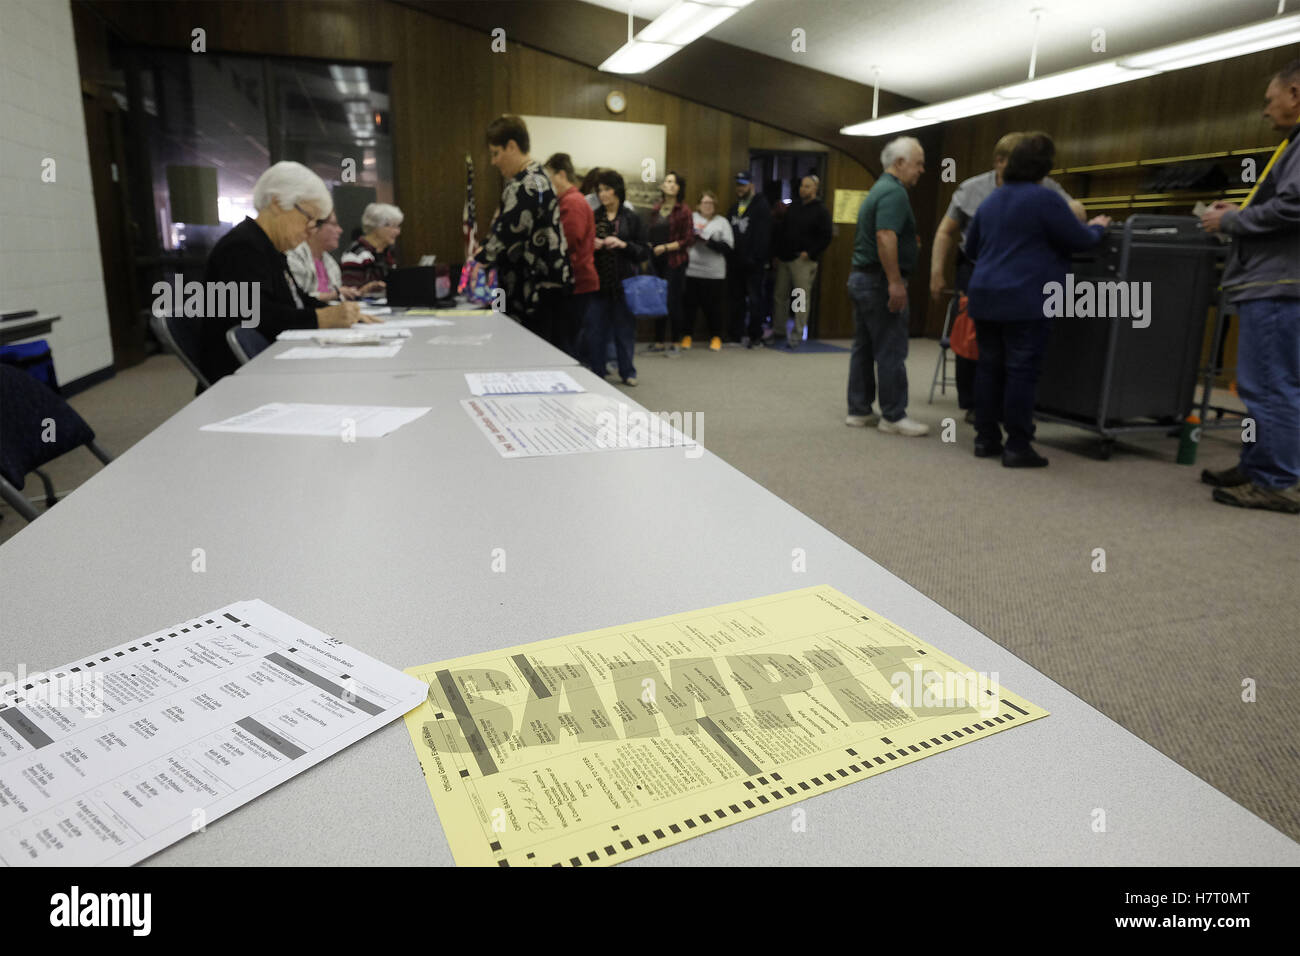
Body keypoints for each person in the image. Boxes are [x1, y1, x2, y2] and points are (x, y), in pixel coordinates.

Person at [964, 132, 1110, 467]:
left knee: (989, 367)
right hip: (1026, 298)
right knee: (1021, 371)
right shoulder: (1045, 200)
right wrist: (1099, 227)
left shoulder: (990, 201)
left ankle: (985, 439)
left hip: (985, 295)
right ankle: (1017, 446)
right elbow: (1079, 240)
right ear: (1044, 169)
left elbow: (970, 249)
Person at [1200, 58, 1300, 513]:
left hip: (1279, 284)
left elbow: (1292, 209)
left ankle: (1277, 480)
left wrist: (1232, 219)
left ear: (1295, 94)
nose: (1265, 110)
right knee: (1266, 384)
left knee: (1269, 386)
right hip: (1276, 282)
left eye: (1270, 100)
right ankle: (1258, 463)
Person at [930, 132, 1073, 420]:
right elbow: (946, 231)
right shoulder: (972, 189)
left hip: (1019, 274)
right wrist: (936, 272)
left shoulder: (1045, 186)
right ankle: (973, 404)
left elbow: (1074, 210)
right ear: (999, 162)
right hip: (977, 269)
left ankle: (1006, 406)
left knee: (1010, 348)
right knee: (972, 342)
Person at [196, 161, 374, 386]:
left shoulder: (270, 247)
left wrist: (338, 311)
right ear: (277, 202)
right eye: (309, 218)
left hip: (269, 362)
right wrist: (321, 317)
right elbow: (256, 315)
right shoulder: (241, 247)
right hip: (240, 378)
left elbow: (296, 301)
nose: (311, 229)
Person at [845, 136, 929, 437]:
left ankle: (859, 410)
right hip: (879, 282)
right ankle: (893, 415)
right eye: (918, 164)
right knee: (891, 347)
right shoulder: (894, 192)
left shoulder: (878, 188)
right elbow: (885, 236)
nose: (921, 170)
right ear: (900, 163)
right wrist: (895, 282)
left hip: (862, 278)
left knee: (864, 347)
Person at [475, 115, 571, 341]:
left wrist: (477, 262)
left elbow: (506, 236)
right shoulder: (533, 179)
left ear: (512, 146)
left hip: (534, 293)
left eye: (495, 153)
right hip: (532, 288)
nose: (493, 162)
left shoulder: (528, 183)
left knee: (528, 355)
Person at [587, 168, 648, 384]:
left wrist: (622, 244)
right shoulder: (593, 217)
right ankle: (597, 371)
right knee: (596, 330)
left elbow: (643, 251)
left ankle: (628, 372)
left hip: (624, 283)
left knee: (624, 330)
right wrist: (592, 245)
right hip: (598, 282)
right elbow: (581, 248)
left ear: (617, 191)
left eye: (607, 189)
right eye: (600, 190)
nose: (603, 194)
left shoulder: (631, 218)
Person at [544, 152, 598, 359]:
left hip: (576, 282)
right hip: (576, 281)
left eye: (550, 177)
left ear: (561, 175)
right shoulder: (568, 200)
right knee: (566, 341)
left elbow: (568, 241)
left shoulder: (572, 202)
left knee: (566, 344)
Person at [772, 174, 832, 350]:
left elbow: (826, 237)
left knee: (799, 297)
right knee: (780, 296)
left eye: (807, 186)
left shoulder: (821, 210)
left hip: (802, 261)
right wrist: (777, 253)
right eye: (801, 186)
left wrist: (810, 253)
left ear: (815, 189)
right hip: (785, 258)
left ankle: (797, 334)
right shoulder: (794, 206)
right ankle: (779, 330)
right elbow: (783, 230)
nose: (803, 189)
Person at [647, 171, 694, 353]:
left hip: (675, 260)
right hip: (656, 259)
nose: (670, 185)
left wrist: (666, 247)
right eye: (667, 181)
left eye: (674, 182)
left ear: (679, 188)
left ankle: (675, 340)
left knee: (673, 301)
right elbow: (651, 231)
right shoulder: (656, 208)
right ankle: (658, 340)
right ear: (662, 186)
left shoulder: (684, 210)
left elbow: (688, 239)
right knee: (659, 299)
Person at [682, 191, 734, 351]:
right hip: (692, 270)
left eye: (711, 203)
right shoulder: (691, 218)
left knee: (714, 308)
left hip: (714, 273)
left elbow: (728, 247)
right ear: (698, 205)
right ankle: (686, 336)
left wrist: (709, 243)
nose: (708, 206)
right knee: (689, 306)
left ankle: (716, 337)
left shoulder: (722, 222)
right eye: (705, 203)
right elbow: (682, 239)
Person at [727, 171, 772, 345]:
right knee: (736, 301)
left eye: (743, 184)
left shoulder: (761, 206)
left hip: (754, 264)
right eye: (738, 184)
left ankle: (755, 335)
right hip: (735, 264)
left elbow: (763, 236)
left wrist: (755, 258)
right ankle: (736, 334)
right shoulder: (734, 207)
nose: (740, 188)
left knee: (755, 300)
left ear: (751, 186)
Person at [286, 211, 361, 301]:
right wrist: (335, 294)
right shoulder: (294, 257)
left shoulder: (331, 262)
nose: (340, 230)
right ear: (313, 227)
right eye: (334, 224)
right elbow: (296, 299)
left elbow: (338, 297)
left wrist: (359, 292)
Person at [341, 202, 402, 292]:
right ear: (376, 226)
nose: (397, 232)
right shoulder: (355, 254)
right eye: (393, 226)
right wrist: (368, 289)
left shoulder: (387, 252)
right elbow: (350, 293)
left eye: (398, 227)